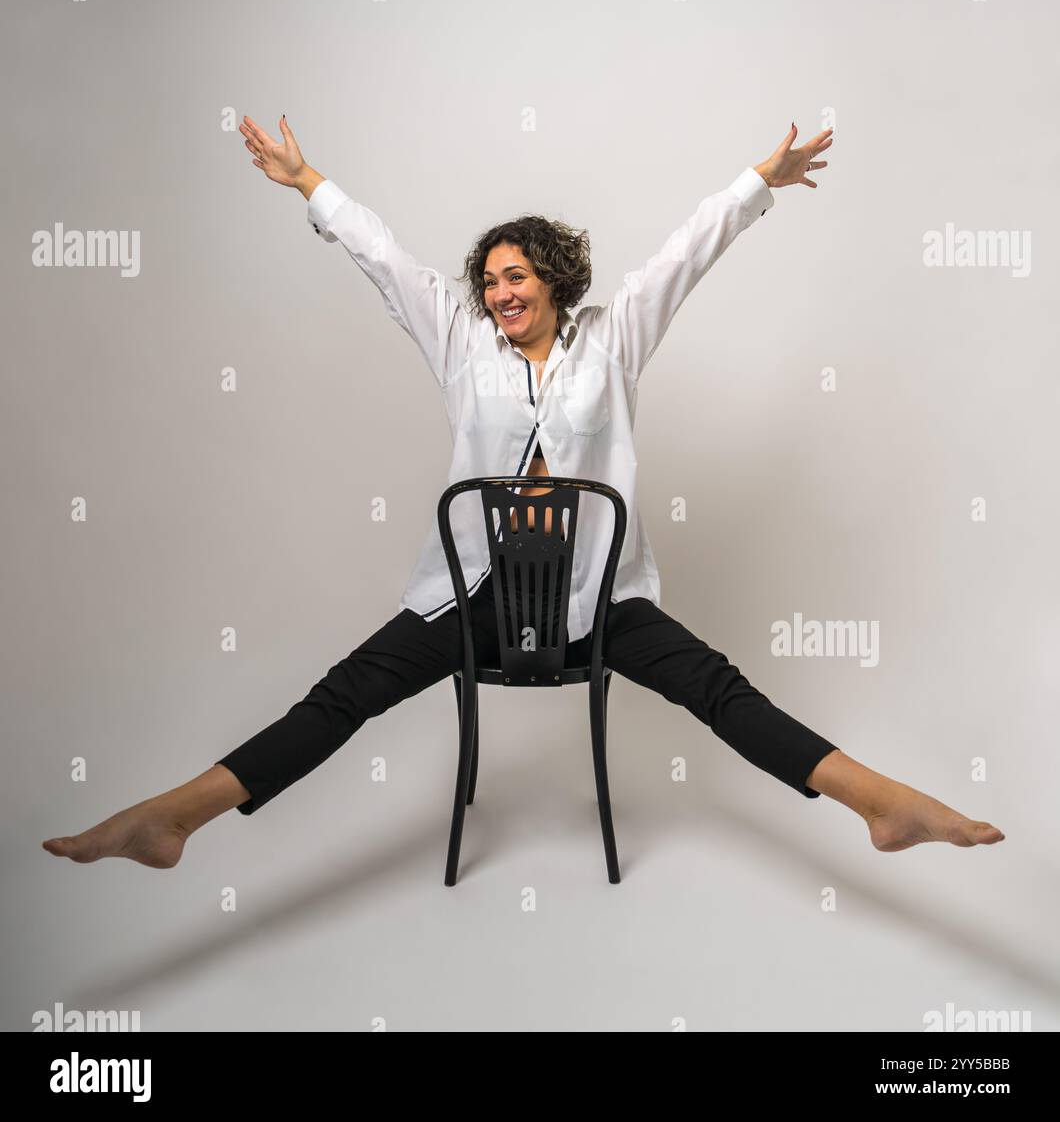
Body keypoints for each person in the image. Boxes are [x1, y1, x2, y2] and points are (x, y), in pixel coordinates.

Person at [42, 116, 1005, 870]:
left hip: (595, 599)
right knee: (342, 697)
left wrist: (762, 181)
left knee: (717, 688)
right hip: (475, 603)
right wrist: (308, 182)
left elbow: (686, 250)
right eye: (489, 279)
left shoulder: (612, 341)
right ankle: (172, 820)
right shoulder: (463, 347)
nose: (500, 291)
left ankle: (881, 803)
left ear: (554, 277)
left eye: (516, 274)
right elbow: (383, 256)